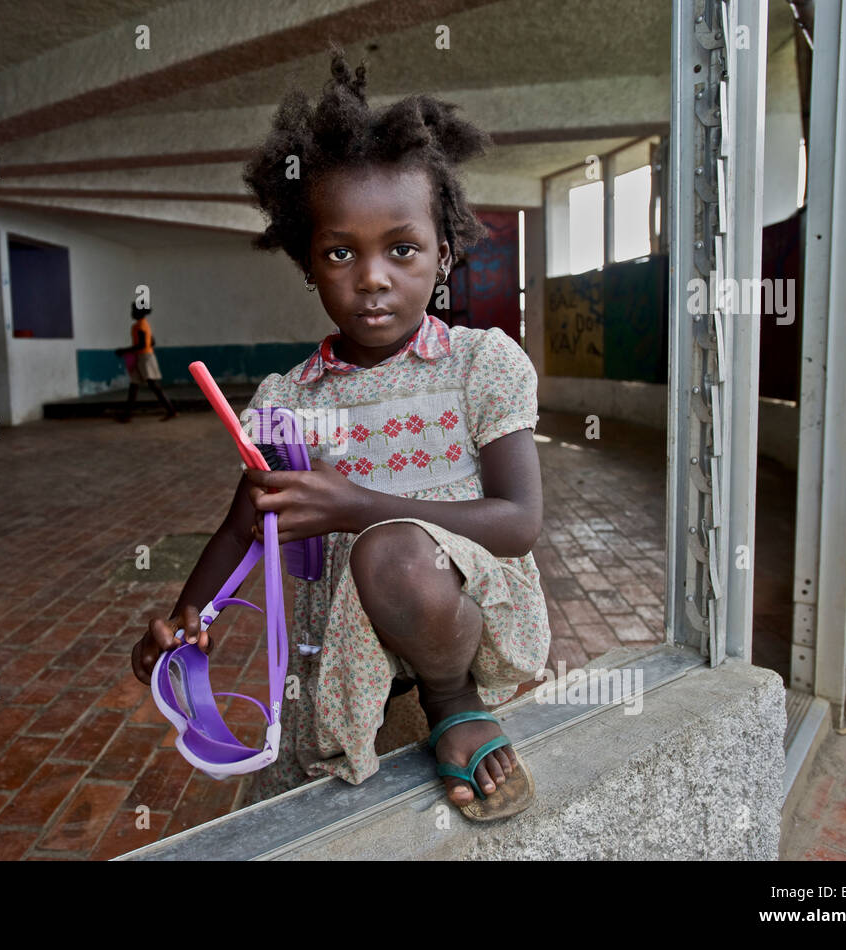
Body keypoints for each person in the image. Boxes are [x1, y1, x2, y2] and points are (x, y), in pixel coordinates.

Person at [130, 44, 550, 822]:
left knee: (389, 544)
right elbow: (244, 523)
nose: (373, 277)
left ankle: (453, 703)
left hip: (456, 610)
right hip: (345, 632)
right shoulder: (290, 396)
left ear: (444, 255)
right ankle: (371, 689)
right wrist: (188, 618)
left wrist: (356, 505)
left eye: (401, 248)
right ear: (307, 265)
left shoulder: (481, 364)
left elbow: (519, 524)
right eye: (338, 252)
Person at [115, 302, 177, 422]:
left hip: (145, 358)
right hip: (142, 357)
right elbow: (152, 342)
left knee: (153, 385)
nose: (131, 313)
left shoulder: (139, 326)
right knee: (134, 385)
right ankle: (127, 415)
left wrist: (124, 350)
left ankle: (171, 410)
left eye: (133, 310)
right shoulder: (144, 325)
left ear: (139, 312)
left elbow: (143, 344)